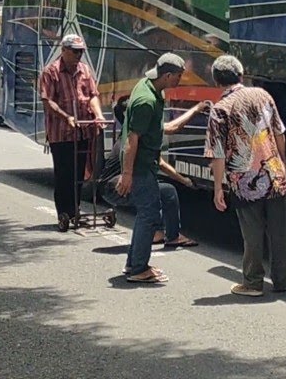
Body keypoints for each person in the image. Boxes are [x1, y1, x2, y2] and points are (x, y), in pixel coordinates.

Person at [205, 55, 286, 298]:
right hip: (274, 173)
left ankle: (253, 283)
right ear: (240, 75)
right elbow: (279, 132)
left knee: (252, 233)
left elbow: (218, 154)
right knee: (279, 231)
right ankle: (281, 281)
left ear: (216, 81)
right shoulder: (263, 96)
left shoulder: (220, 109)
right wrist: (282, 163)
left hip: (245, 182)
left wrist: (218, 188)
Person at [100, 95, 209, 263]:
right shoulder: (137, 134)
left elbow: (158, 161)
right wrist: (197, 108)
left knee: (154, 187)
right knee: (166, 191)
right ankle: (170, 237)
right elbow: (172, 128)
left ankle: (157, 234)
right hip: (115, 187)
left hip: (111, 186)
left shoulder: (131, 133)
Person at [115, 52, 188, 284]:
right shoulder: (146, 100)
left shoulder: (149, 87)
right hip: (140, 166)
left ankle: (133, 263)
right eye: (178, 76)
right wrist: (127, 174)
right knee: (149, 215)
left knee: (145, 214)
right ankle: (138, 268)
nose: (179, 81)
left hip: (145, 164)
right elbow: (132, 140)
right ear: (166, 76)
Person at [38, 33, 106, 230]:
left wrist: (99, 115)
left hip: (83, 131)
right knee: (64, 175)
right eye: (75, 51)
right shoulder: (51, 72)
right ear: (64, 50)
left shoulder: (85, 71)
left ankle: (75, 209)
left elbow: (92, 96)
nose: (79, 55)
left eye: (81, 52)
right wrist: (66, 117)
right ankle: (64, 213)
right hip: (61, 133)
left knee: (79, 173)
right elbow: (47, 101)